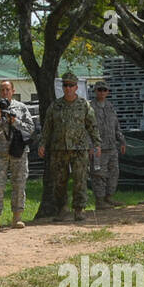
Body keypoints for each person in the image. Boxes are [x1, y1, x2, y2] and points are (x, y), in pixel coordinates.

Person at [37, 72, 100, 222]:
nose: (68, 88)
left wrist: (97, 143)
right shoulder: (55, 106)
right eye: (65, 85)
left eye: (71, 85)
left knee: (80, 179)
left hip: (79, 148)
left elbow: (92, 125)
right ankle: (62, 209)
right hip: (59, 148)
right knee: (59, 181)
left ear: (76, 87)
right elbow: (47, 127)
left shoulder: (84, 104)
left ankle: (79, 209)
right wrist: (42, 144)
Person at [0, 80, 34, 232]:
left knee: (19, 183)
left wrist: (15, 121)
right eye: (2, 90)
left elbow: (30, 128)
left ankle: (17, 218)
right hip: (0, 152)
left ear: (13, 90)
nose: (5, 92)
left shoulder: (21, 107)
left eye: (7, 89)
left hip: (18, 151)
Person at [89, 81, 126, 210]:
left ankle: (109, 197)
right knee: (98, 174)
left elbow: (116, 126)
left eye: (104, 90)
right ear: (95, 91)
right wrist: (91, 146)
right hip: (98, 148)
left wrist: (121, 141)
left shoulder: (110, 106)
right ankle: (100, 201)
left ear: (108, 92)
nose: (102, 92)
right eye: (99, 90)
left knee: (114, 172)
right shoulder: (90, 107)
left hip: (112, 147)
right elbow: (87, 128)